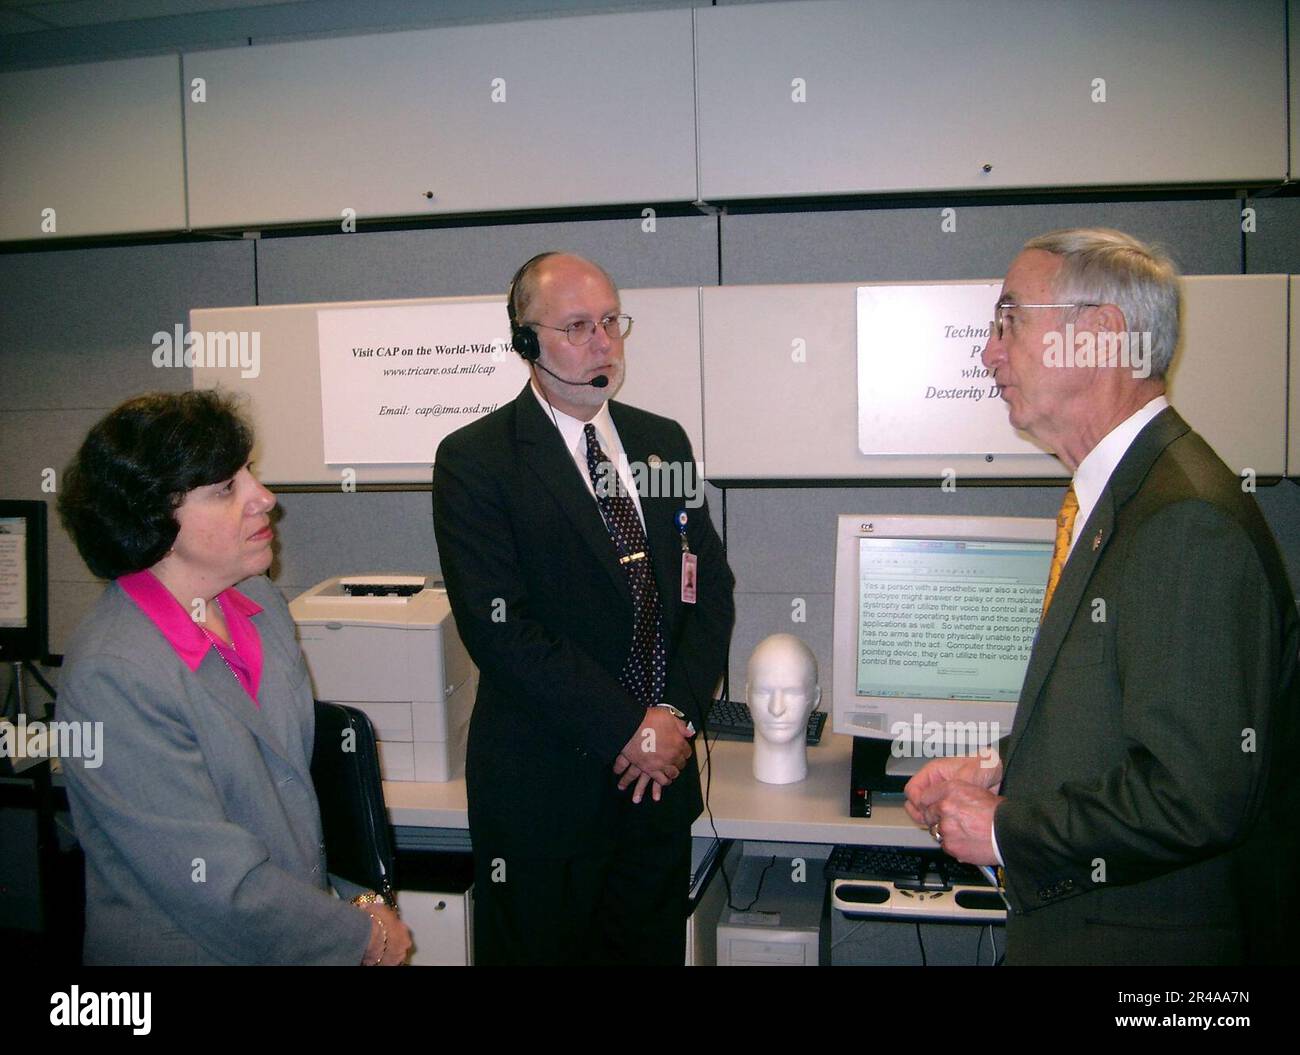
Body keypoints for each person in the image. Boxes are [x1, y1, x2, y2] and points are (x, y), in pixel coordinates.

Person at [904, 228, 1299, 965]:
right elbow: (1123, 720)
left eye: (1009, 320)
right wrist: (999, 766)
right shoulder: (1124, 497)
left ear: (1100, 336)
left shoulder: (1185, 522)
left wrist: (1003, 829)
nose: (988, 353)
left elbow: (1195, 791)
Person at [432, 252, 735, 964]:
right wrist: (631, 728)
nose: (604, 342)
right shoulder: (477, 461)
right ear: (525, 342)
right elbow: (501, 629)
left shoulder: (664, 444)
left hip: (654, 794)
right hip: (545, 801)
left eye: (610, 322)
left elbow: (707, 591)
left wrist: (676, 719)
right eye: (577, 326)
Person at [57, 390, 412, 965]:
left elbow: (296, 795)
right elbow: (214, 886)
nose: (263, 497)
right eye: (226, 488)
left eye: (250, 473)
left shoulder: (257, 602)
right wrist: (358, 936)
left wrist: (360, 900)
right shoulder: (116, 672)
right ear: (150, 516)